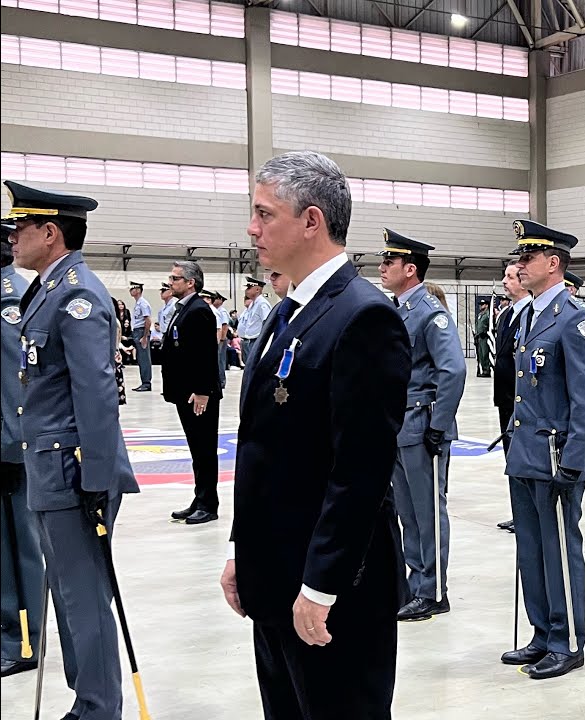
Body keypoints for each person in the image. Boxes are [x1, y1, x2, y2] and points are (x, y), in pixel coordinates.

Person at [221, 151, 410, 720]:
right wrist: (243, 552)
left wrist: (322, 585)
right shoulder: (289, 313)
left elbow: (361, 471)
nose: (252, 229)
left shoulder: (362, 317)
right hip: (277, 577)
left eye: (264, 214)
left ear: (311, 221)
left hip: (332, 592)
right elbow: (266, 449)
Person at [6, 180, 139, 720]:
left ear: (51, 232)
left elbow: (96, 395)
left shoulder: (78, 297)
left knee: (84, 597)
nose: (13, 236)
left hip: (71, 468)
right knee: (66, 594)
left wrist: (97, 482)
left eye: (21, 227)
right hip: (47, 464)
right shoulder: (46, 290)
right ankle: (86, 699)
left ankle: (99, 708)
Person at [501, 219, 585, 680]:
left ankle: (566, 642)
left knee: (558, 550)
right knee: (531, 550)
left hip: (556, 457)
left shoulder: (575, 318)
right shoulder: (528, 315)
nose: (520, 265)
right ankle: (542, 633)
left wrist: (575, 459)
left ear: (553, 263)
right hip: (525, 453)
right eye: (520, 257)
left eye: (528, 257)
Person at [377, 229, 465, 622]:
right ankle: (417, 585)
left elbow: (454, 370)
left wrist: (438, 425)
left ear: (410, 269)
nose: (381, 267)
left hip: (422, 425)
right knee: (409, 513)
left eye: (389, 262)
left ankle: (434, 590)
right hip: (400, 425)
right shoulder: (399, 310)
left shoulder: (431, 313)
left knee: (427, 511)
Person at [0, 223, 43, 678]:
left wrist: (12, 446)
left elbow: (18, 377)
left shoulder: (9, 297)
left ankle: (23, 641)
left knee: (18, 548)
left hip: (9, 448)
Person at [164, 261, 223, 526]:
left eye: (176, 279)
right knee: (196, 450)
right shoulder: (183, 309)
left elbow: (206, 356)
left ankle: (209, 504)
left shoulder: (199, 311)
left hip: (198, 395)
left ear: (191, 283)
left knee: (205, 449)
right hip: (185, 392)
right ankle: (199, 498)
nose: (170, 282)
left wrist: (202, 391)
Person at [493, 262, 531, 533]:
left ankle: (527, 514)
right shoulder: (506, 315)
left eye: (509, 277)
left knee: (524, 460)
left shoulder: (531, 312)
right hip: (505, 400)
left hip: (522, 402)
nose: (504, 281)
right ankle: (518, 512)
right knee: (511, 459)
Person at [239, 276, 272, 367]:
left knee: (254, 367)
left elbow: (267, 323)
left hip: (255, 341)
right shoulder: (253, 304)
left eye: (249, 288)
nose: (246, 290)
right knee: (249, 367)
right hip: (249, 341)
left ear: (257, 289)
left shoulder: (262, 304)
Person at [128, 279, 153, 391]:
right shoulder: (138, 303)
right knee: (140, 358)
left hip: (141, 331)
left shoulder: (143, 303)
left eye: (133, 288)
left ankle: (146, 383)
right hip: (137, 331)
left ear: (138, 290)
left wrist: (144, 336)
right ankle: (144, 382)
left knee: (144, 358)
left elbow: (148, 320)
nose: (130, 290)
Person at [475, 299, 493, 377]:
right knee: (481, 354)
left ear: (486, 305)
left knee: (485, 353)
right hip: (479, 337)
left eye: (482, 304)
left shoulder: (489, 314)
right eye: (480, 305)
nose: (480, 306)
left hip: (485, 337)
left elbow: (490, 325)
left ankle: (487, 370)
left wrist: (486, 332)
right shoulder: (480, 314)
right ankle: (483, 369)